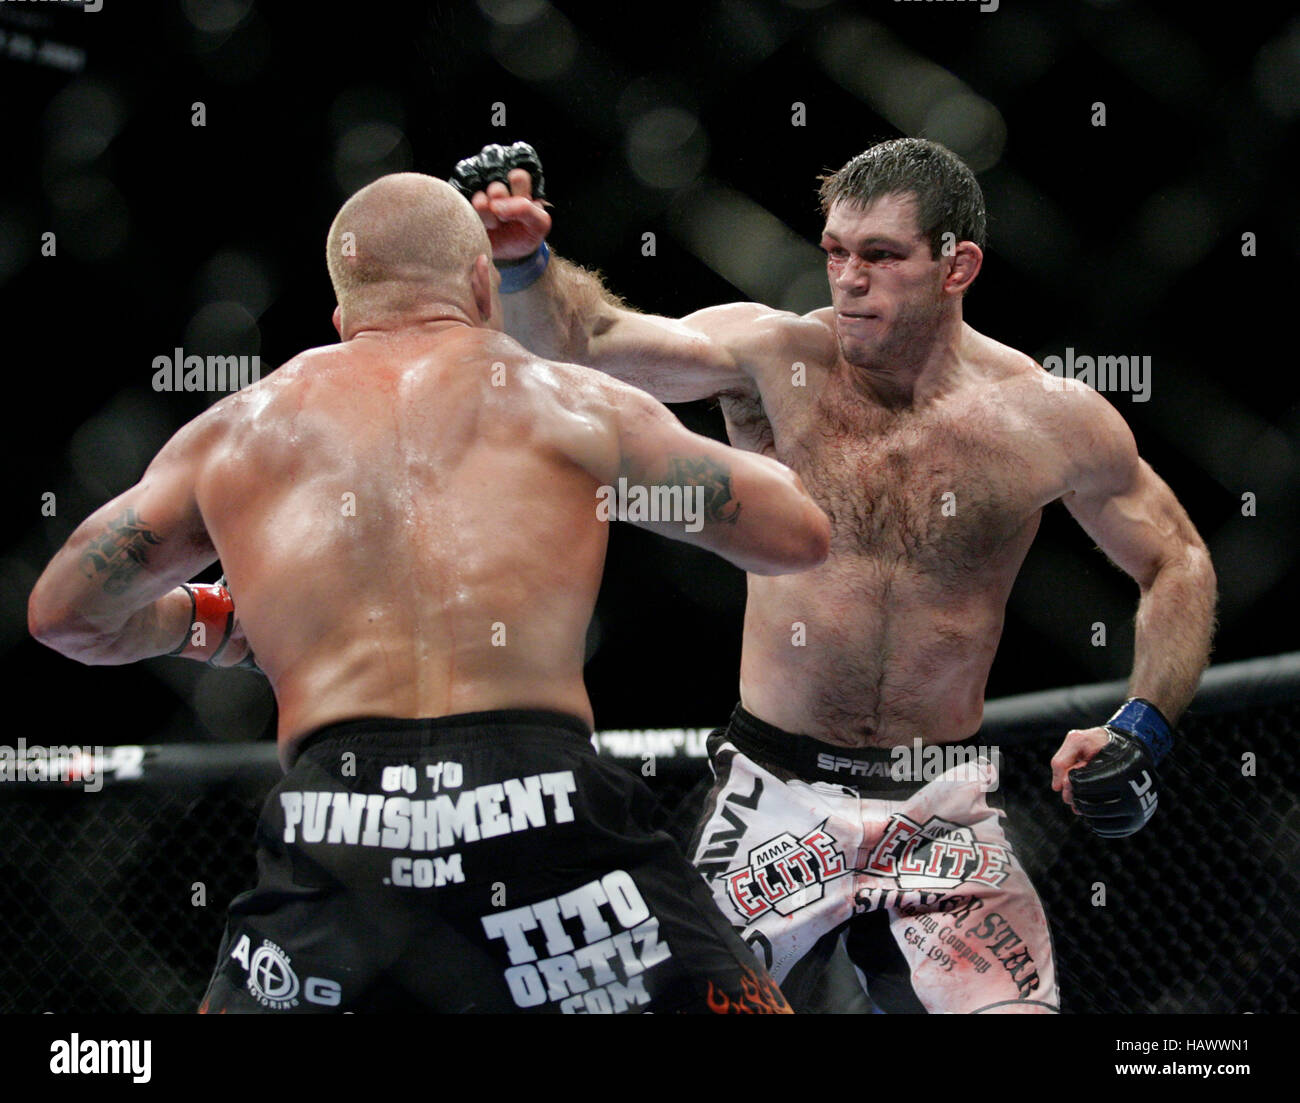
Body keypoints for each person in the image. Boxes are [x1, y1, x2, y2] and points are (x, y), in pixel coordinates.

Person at [27, 172, 833, 1014]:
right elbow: (797, 535)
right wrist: (628, 472)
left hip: (340, 822)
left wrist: (201, 619)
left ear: (342, 318)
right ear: (482, 286)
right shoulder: (565, 401)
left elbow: (62, 614)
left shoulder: (241, 430)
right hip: (542, 804)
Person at [452, 138, 1218, 1013]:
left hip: (940, 800)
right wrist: (524, 265)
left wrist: (1143, 723)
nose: (849, 278)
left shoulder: (1048, 417)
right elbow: (591, 341)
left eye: (882, 256)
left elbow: (1177, 557)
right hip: (774, 792)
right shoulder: (775, 358)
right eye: (835, 252)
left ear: (957, 264)